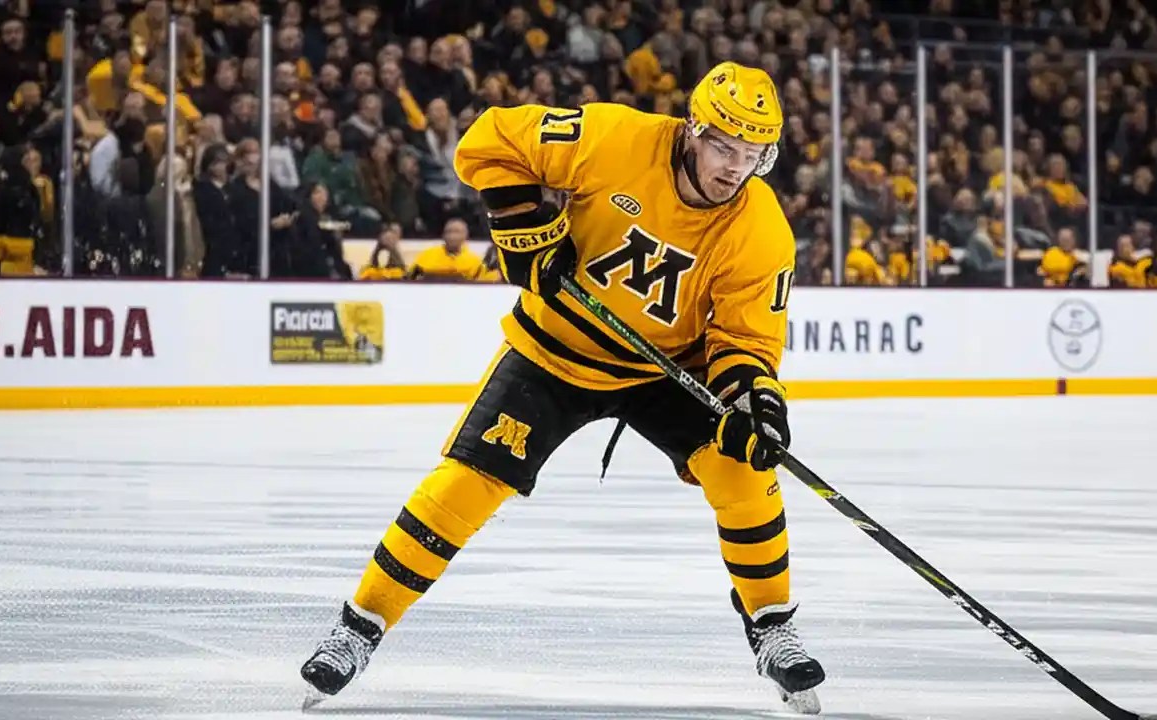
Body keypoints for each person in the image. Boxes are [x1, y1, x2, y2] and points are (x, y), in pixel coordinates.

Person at [300, 62, 824, 714]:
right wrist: (522, 228)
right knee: (467, 482)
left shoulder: (760, 227)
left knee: (743, 471)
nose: (733, 168)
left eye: (752, 155)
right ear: (693, 129)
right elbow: (488, 140)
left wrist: (754, 404)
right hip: (556, 349)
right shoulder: (613, 137)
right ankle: (357, 628)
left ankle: (771, 626)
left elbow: (746, 338)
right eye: (722, 146)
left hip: (664, 366)